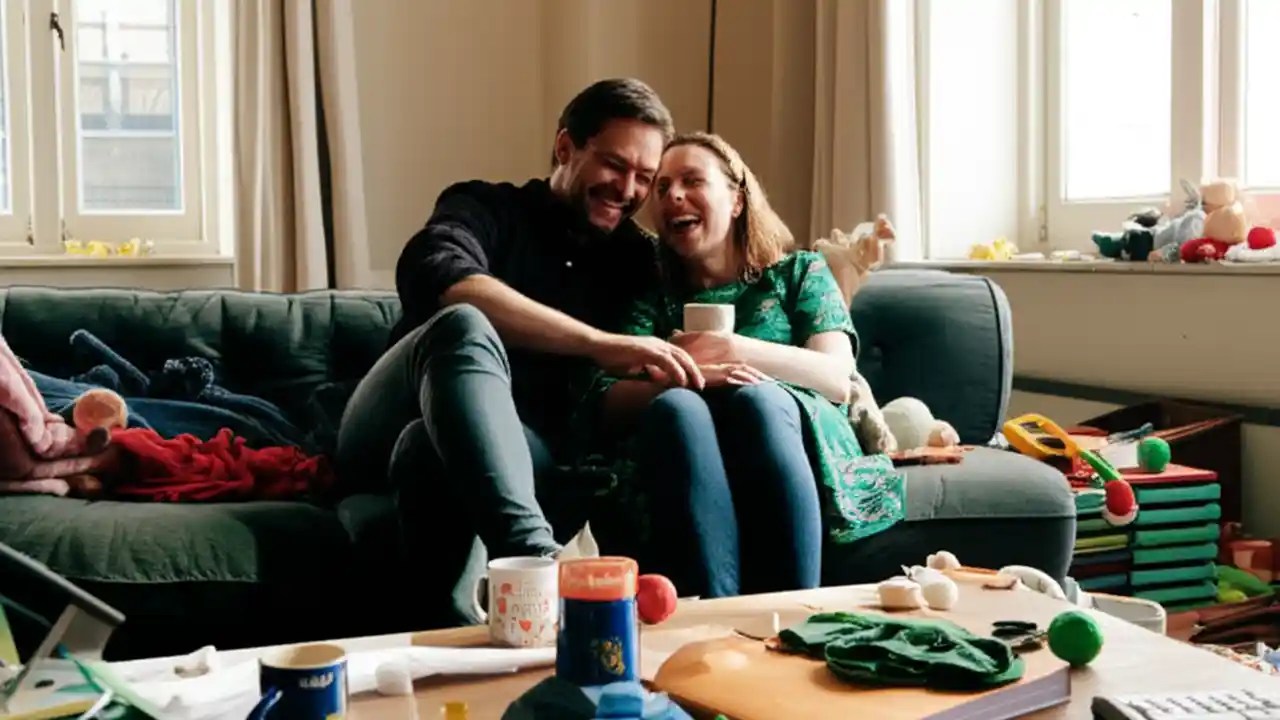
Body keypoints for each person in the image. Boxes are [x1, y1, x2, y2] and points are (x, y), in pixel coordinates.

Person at [335, 79, 706, 626]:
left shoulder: (638, 261)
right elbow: (440, 275)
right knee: (462, 324)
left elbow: (728, 278)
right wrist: (600, 345)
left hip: (518, 450)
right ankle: (539, 559)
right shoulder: (485, 206)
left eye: (643, 178)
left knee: (426, 452)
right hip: (389, 417)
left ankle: (461, 647)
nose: (627, 189)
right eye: (613, 164)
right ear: (564, 148)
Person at [574, 132, 906, 598]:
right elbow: (604, 399)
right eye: (663, 186)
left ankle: (790, 611)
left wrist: (730, 349)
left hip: (786, 428)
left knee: (759, 400)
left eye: (692, 181)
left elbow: (835, 377)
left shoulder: (800, 273)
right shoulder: (651, 297)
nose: (674, 196)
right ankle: (718, 616)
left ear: (735, 199)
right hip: (685, 442)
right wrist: (689, 377)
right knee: (676, 409)